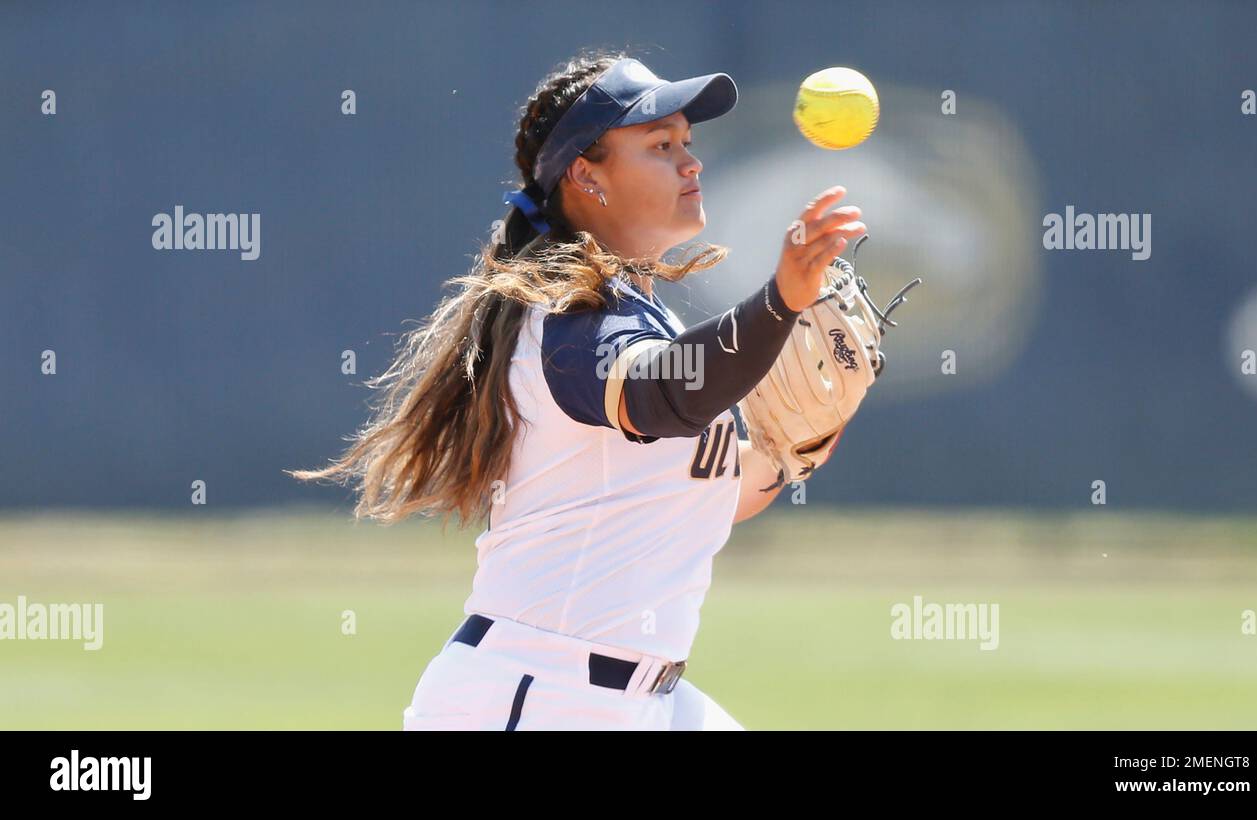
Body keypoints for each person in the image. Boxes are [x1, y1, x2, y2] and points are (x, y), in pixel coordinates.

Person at [290, 51, 866, 730]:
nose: (691, 162)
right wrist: (779, 303)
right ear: (586, 175)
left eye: (688, 142)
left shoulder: (645, 318)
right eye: (660, 145)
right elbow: (660, 395)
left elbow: (702, 497)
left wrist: (791, 448)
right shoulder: (567, 318)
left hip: (640, 697)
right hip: (541, 694)